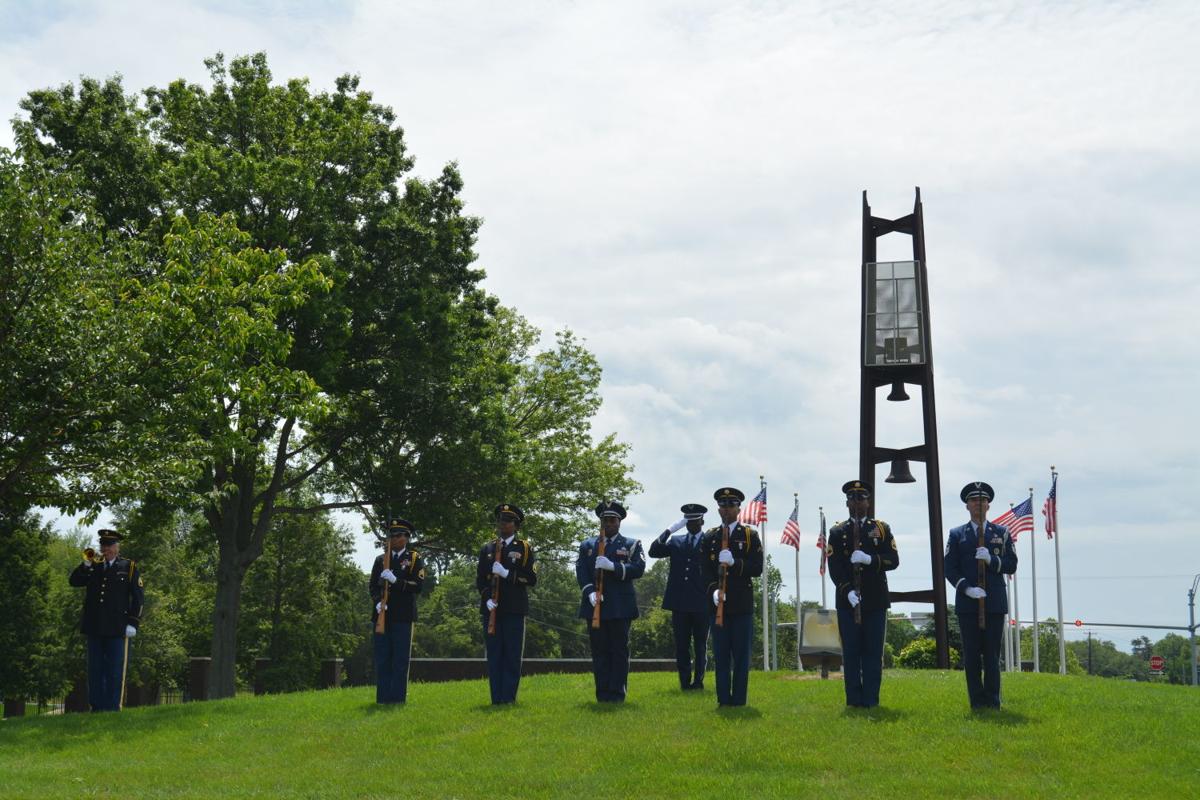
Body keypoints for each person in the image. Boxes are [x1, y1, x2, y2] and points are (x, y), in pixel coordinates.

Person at [825, 480, 899, 708]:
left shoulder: (881, 528)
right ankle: (853, 701)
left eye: (861, 498)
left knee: (873, 653)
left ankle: (871, 700)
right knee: (852, 652)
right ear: (847, 503)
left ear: (868, 502)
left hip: (875, 601)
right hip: (848, 602)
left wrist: (870, 559)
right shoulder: (838, 532)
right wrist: (847, 591)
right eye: (852, 498)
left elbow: (893, 560)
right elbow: (834, 566)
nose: (857, 502)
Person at [945, 481, 1018, 709]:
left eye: (983, 501)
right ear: (967, 506)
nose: (979, 504)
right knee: (972, 656)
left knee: (992, 656)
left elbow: (1011, 564)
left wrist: (992, 560)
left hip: (994, 603)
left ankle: (993, 702)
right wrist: (966, 588)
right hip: (968, 604)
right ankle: (977, 702)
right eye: (974, 501)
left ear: (989, 505)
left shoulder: (1001, 533)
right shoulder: (957, 534)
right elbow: (949, 567)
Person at [576, 500, 645, 702]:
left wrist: (613, 566)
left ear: (619, 522)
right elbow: (581, 572)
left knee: (618, 650)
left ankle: (617, 693)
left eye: (612, 520)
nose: (608, 523)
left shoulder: (631, 544)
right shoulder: (588, 545)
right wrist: (589, 592)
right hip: (594, 604)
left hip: (619, 607)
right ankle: (602, 693)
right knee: (599, 650)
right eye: (605, 520)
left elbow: (638, 568)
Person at [68, 529, 143, 712]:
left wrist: (133, 622)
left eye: (109, 545)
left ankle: (112, 707)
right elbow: (74, 582)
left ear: (117, 547)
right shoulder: (94, 565)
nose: (105, 549)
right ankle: (97, 707)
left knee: (115, 671)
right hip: (95, 626)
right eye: (103, 545)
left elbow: (138, 597)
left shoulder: (129, 566)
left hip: (117, 628)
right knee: (95, 670)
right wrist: (85, 565)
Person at [701, 487, 763, 707]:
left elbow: (757, 568)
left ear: (738, 508)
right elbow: (705, 570)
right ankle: (723, 699)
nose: (726, 509)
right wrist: (714, 591)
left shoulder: (749, 535)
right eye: (723, 505)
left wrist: (736, 563)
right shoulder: (710, 536)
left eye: (731, 505)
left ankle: (738, 700)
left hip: (741, 604)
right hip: (718, 604)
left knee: (740, 656)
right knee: (721, 655)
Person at [476, 503, 537, 705]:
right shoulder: (488, 549)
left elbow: (531, 579)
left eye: (508, 521)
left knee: (511, 655)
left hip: (513, 608)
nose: (503, 524)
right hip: (492, 610)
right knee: (494, 655)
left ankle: (508, 698)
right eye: (501, 520)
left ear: (516, 525)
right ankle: (496, 698)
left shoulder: (524, 548)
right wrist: (487, 599)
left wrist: (507, 574)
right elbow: (480, 581)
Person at [648, 502, 710, 690]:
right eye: (688, 521)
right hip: (679, 602)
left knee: (700, 645)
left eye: (695, 520)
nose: (692, 524)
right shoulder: (676, 541)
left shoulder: (709, 541)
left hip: (701, 602)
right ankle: (684, 682)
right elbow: (653, 551)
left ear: (702, 521)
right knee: (682, 646)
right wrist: (668, 530)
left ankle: (698, 681)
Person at [370, 518, 425, 704]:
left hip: (402, 615)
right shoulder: (380, 560)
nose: (394, 538)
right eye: (392, 535)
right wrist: (378, 602)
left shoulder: (414, 559)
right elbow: (372, 587)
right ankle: (382, 698)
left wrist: (396, 581)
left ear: (406, 538)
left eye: (398, 535)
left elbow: (417, 586)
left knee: (400, 659)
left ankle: (398, 698)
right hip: (382, 615)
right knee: (383, 658)